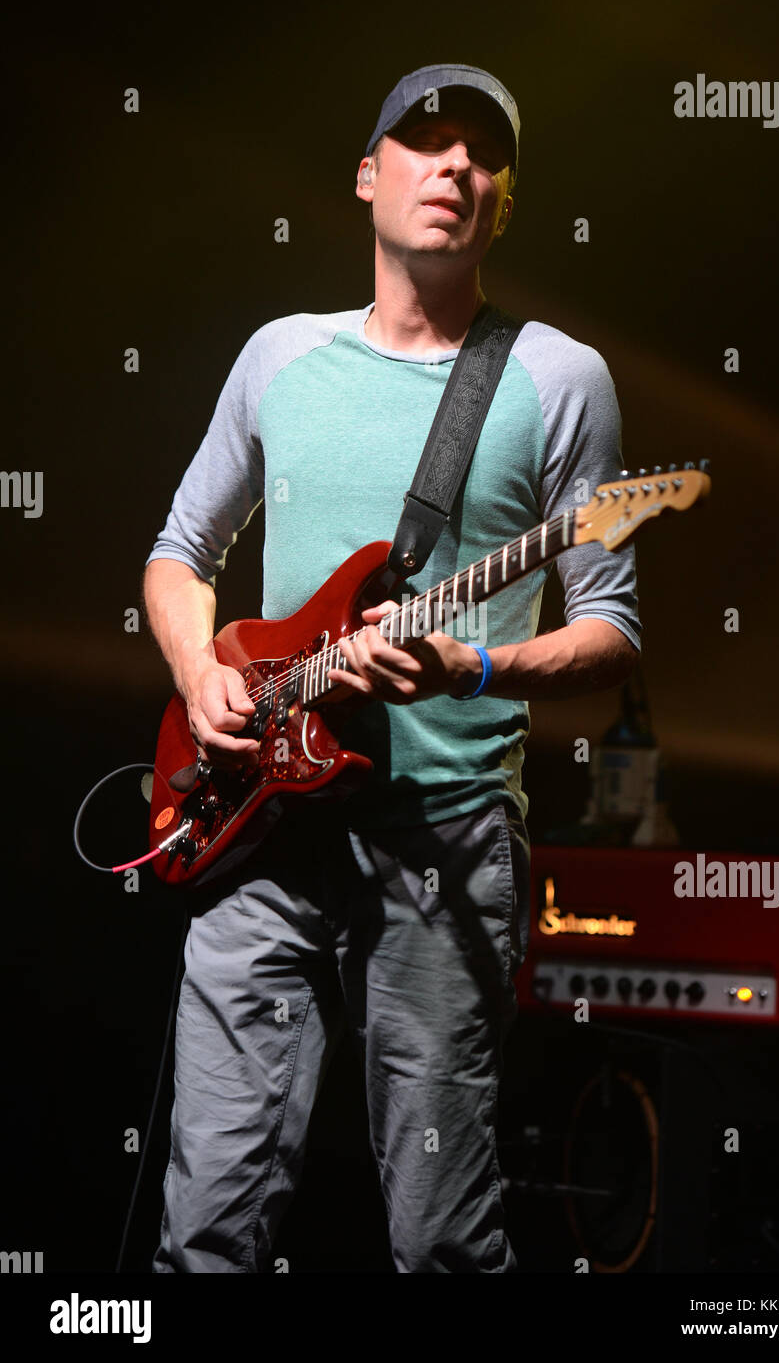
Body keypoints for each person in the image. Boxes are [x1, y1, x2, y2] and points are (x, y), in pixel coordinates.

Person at [144, 63, 641, 1274]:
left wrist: (470, 664)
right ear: (368, 177)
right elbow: (179, 553)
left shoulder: (559, 378)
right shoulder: (280, 357)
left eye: (482, 153)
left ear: (504, 205)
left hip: (447, 835)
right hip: (260, 818)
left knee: (439, 1234)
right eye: (424, 143)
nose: (453, 166)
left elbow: (612, 632)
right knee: (208, 1216)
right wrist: (201, 673)